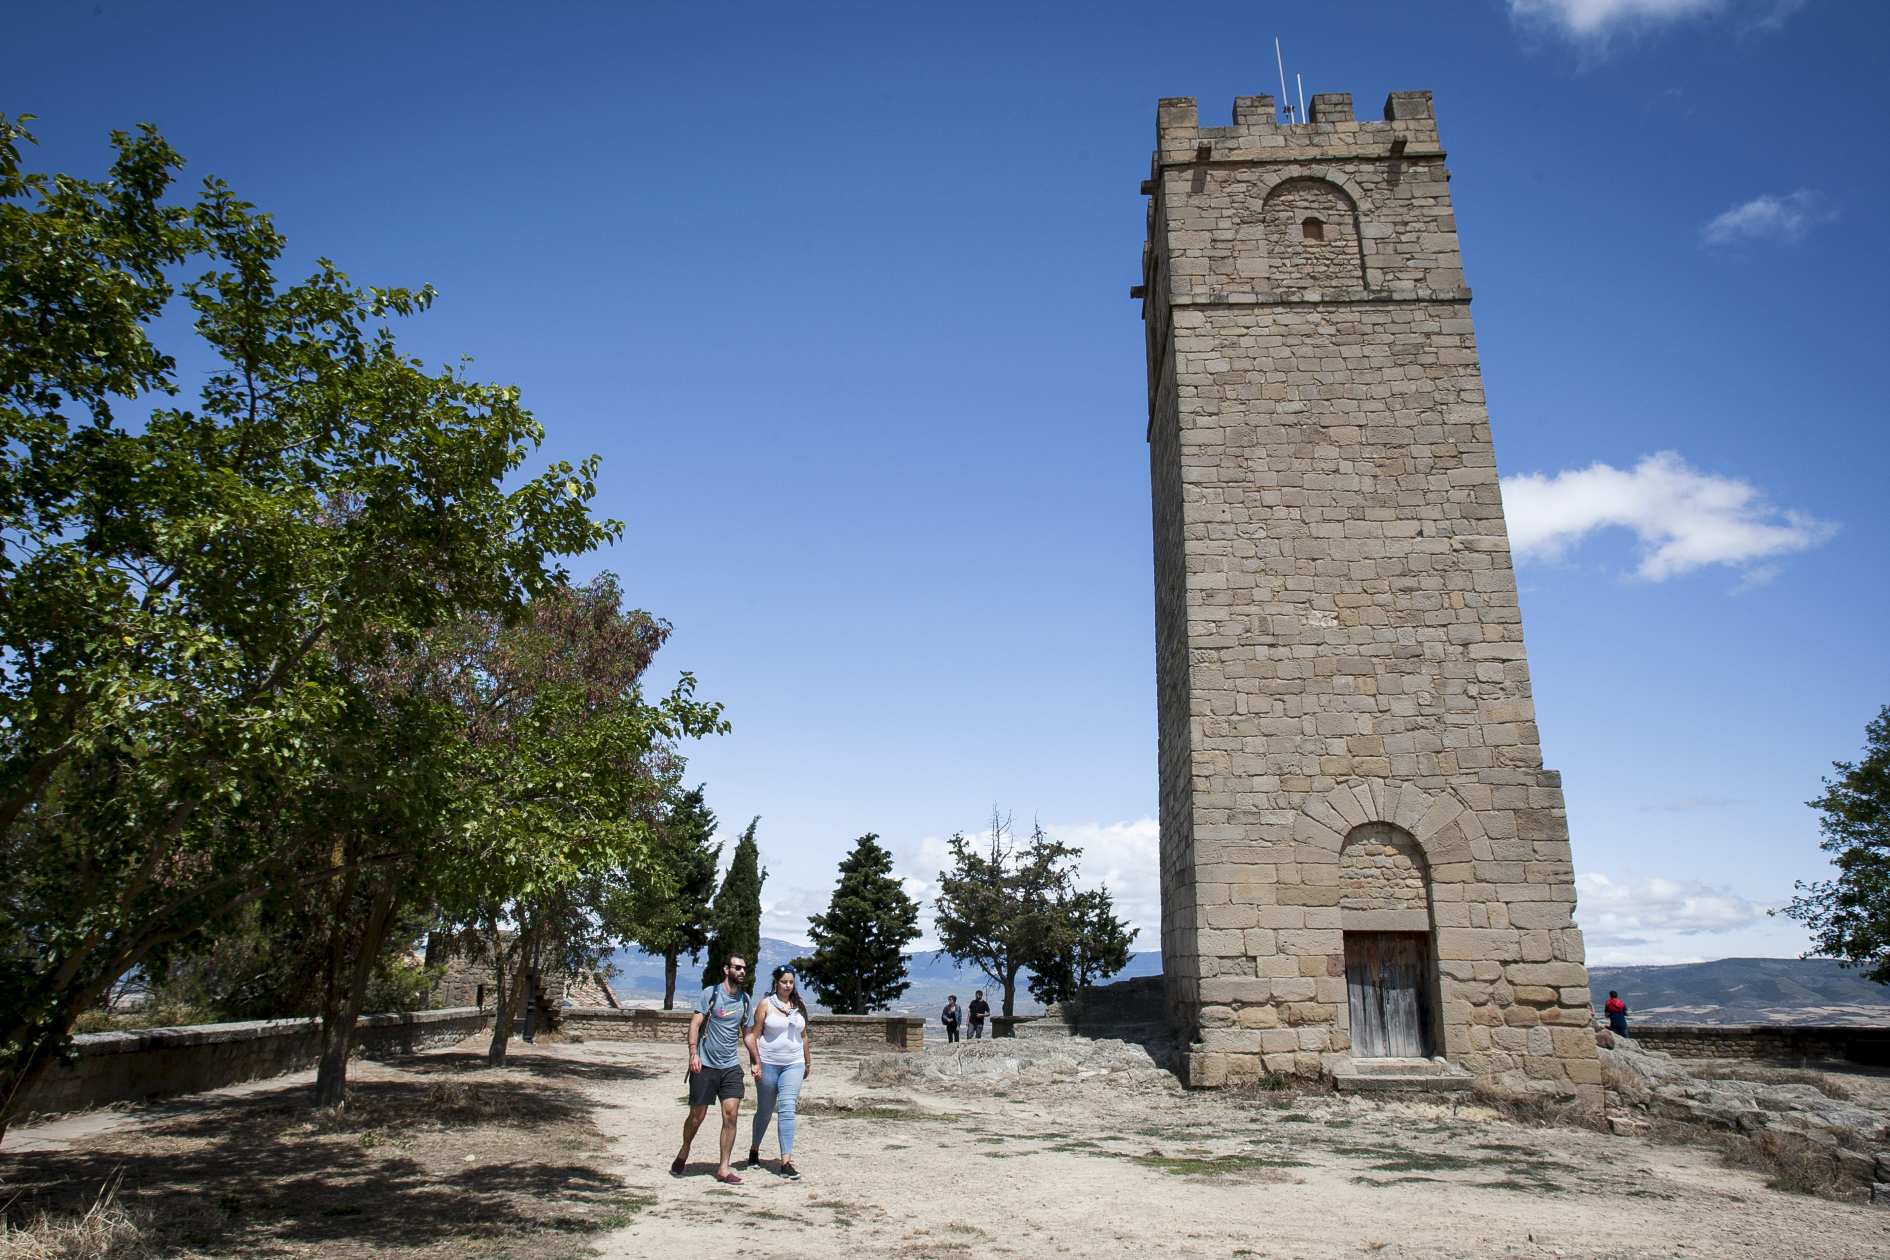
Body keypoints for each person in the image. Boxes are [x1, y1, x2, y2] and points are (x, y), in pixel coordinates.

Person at [671, 954, 754, 1185]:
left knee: (731, 1114)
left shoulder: (745, 1000)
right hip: (705, 1065)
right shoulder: (711, 994)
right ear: (726, 969)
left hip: (730, 1067)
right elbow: (695, 1024)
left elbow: (748, 1035)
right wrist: (693, 1053)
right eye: (737, 967)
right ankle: (685, 1148)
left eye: (744, 968)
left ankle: (724, 1168)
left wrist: (755, 1060)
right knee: (697, 1116)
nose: (742, 971)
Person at [744, 964, 812, 1179]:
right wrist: (755, 1062)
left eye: (791, 982)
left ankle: (786, 1162)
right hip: (768, 1063)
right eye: (784, 982)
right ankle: (754, 1149)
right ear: (776, 983)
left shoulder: (799, 1005)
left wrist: (807, 1062)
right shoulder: (766, 1004)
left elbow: (804, 1036)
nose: (788, 985)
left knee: (787, 1108)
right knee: (765, 1110)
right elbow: (754, 1035)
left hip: (794, 1063)